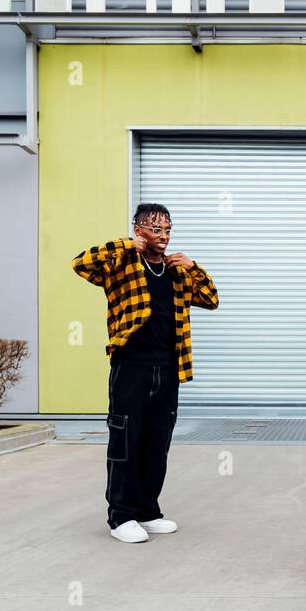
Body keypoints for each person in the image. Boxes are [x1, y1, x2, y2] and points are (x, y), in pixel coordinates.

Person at [71, 203, 219, 543]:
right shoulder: (121, 264)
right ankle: (121, 516)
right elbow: (80, 263)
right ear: (139, 230)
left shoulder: (176, 272)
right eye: (155, 229)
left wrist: (194, 266)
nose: (163, 236)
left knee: (157, 443)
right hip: (130, 366)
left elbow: (211, 299)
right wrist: (125, 245)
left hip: (168, 368)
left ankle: (148, 511)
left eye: (167, 230)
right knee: (125, 441)